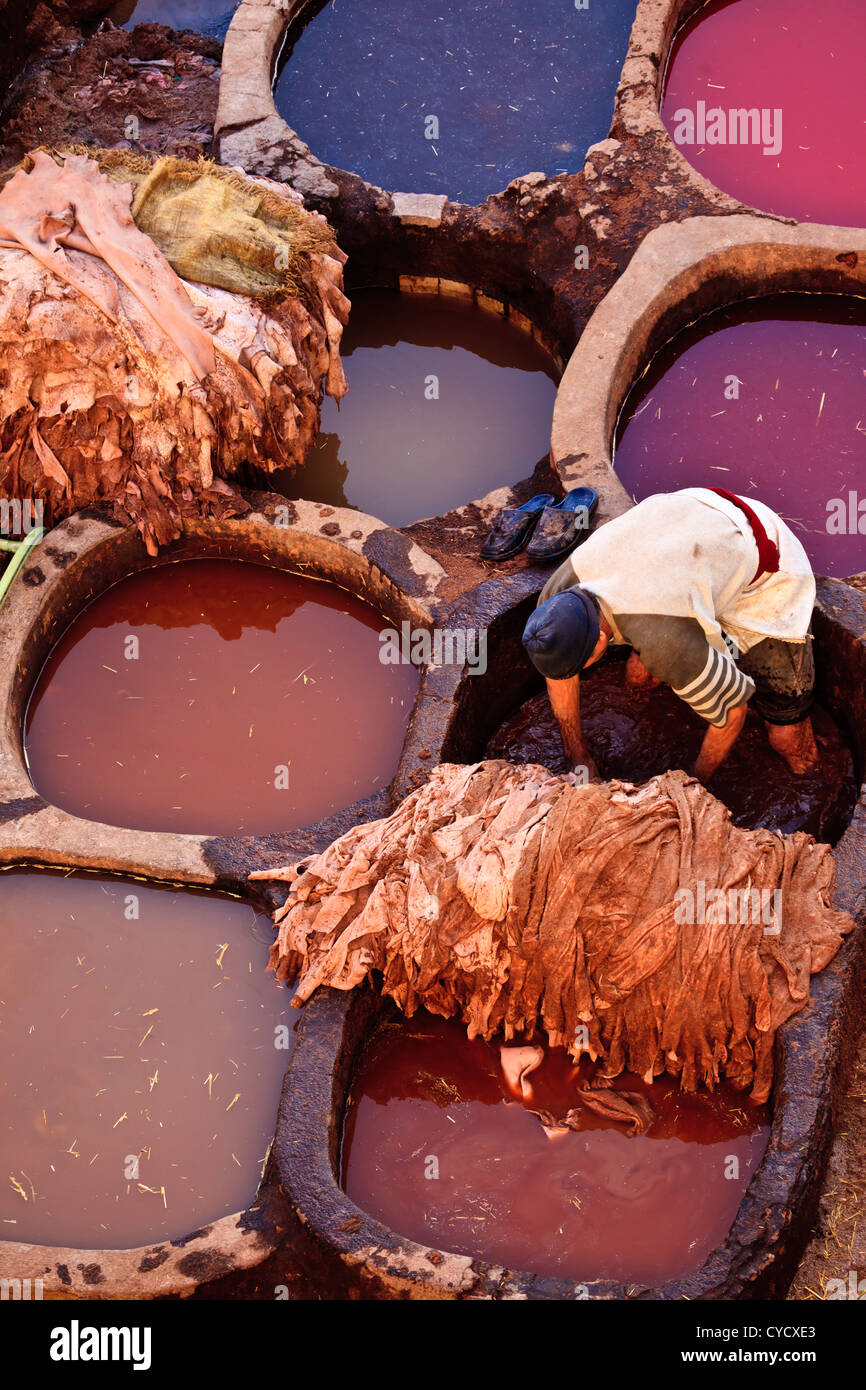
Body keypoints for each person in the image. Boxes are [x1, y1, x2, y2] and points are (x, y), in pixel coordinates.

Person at [521, 486, 819, 783]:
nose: (568, 675)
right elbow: (559, 671)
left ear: (601, 642)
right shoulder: (554, 600)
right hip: (685, 538)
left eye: (576, 667)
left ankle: (810, 769)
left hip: (763, 568)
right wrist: (577, 754)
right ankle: (707, 673)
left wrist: (691, 784)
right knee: (639, 677)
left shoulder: (665, 638)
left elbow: (732, 714)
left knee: (785, 738)